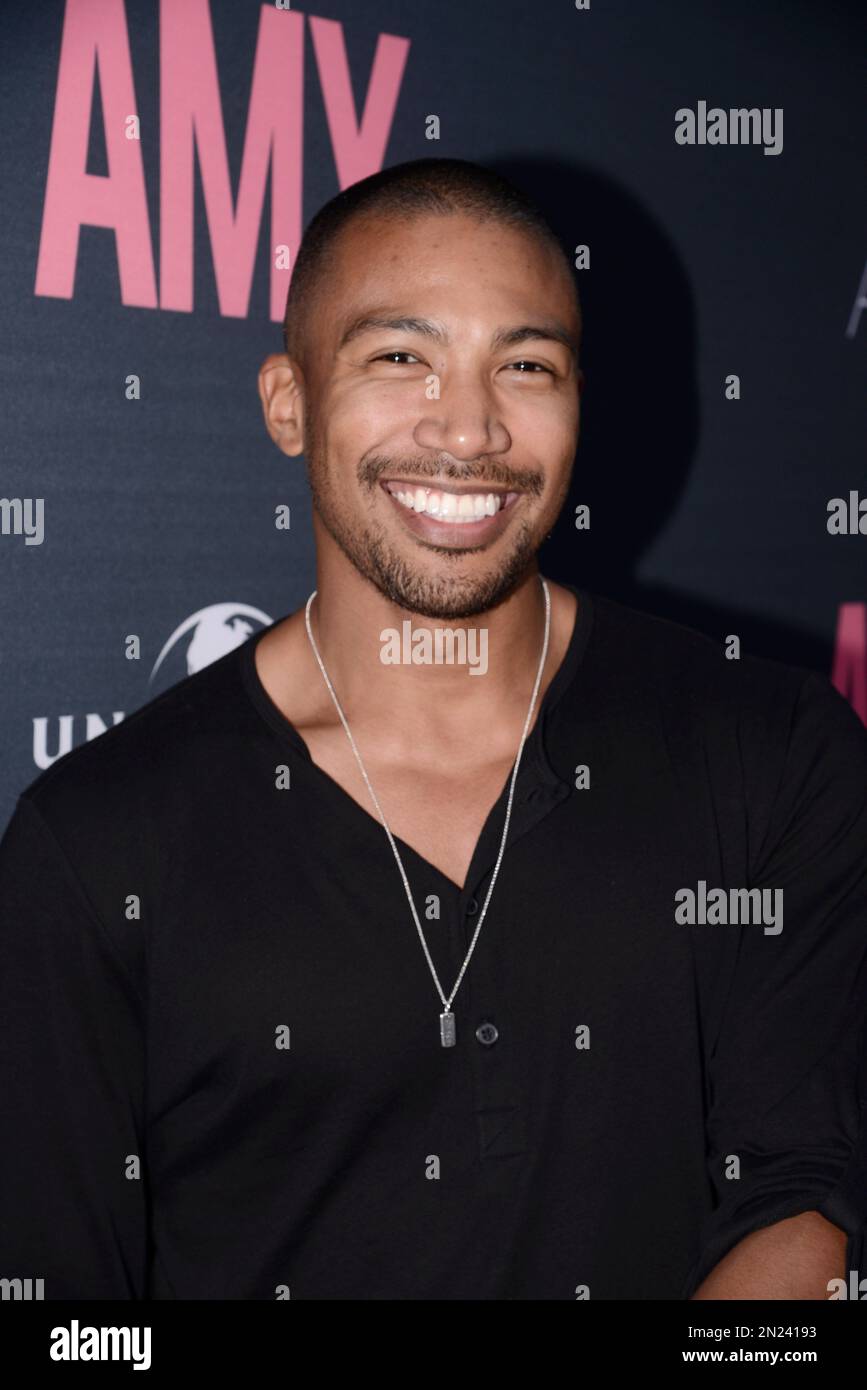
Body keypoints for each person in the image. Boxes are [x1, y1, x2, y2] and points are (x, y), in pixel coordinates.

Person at [1, 158, 866, 1300]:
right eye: (400, 356)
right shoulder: (95, 842)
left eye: (526, 365)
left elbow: (801, 1194)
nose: (467, 429)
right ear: (289, 402)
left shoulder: (776, 747)